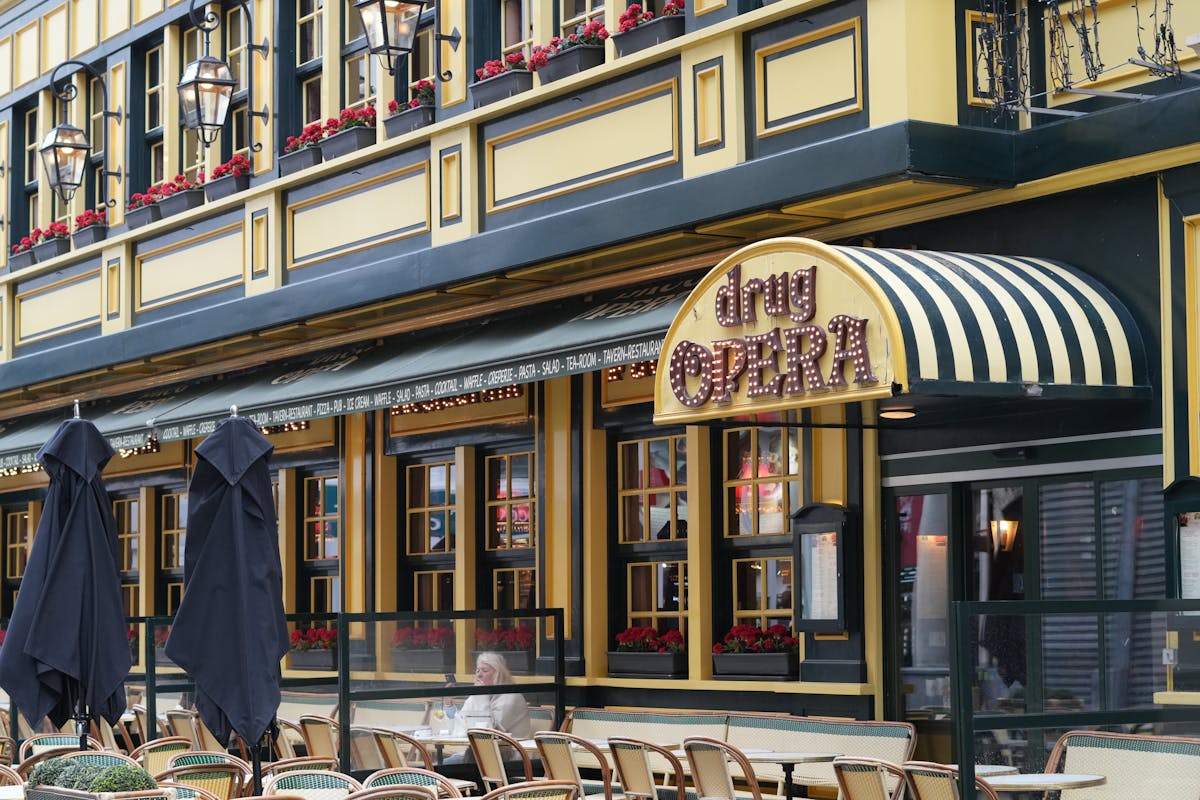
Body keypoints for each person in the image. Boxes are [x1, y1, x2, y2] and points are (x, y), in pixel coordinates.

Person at [443, 651, 531, 764]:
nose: (479, 675)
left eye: (485, 671)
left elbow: (488, 731)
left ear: (498, 674)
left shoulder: (511, 697)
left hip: (508, 757)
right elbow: (462, 725)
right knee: (440, 765)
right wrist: (449, 706)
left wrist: (482, 695)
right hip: (480, 754)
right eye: (477, 671)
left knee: (445, 765)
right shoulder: (477, 696)